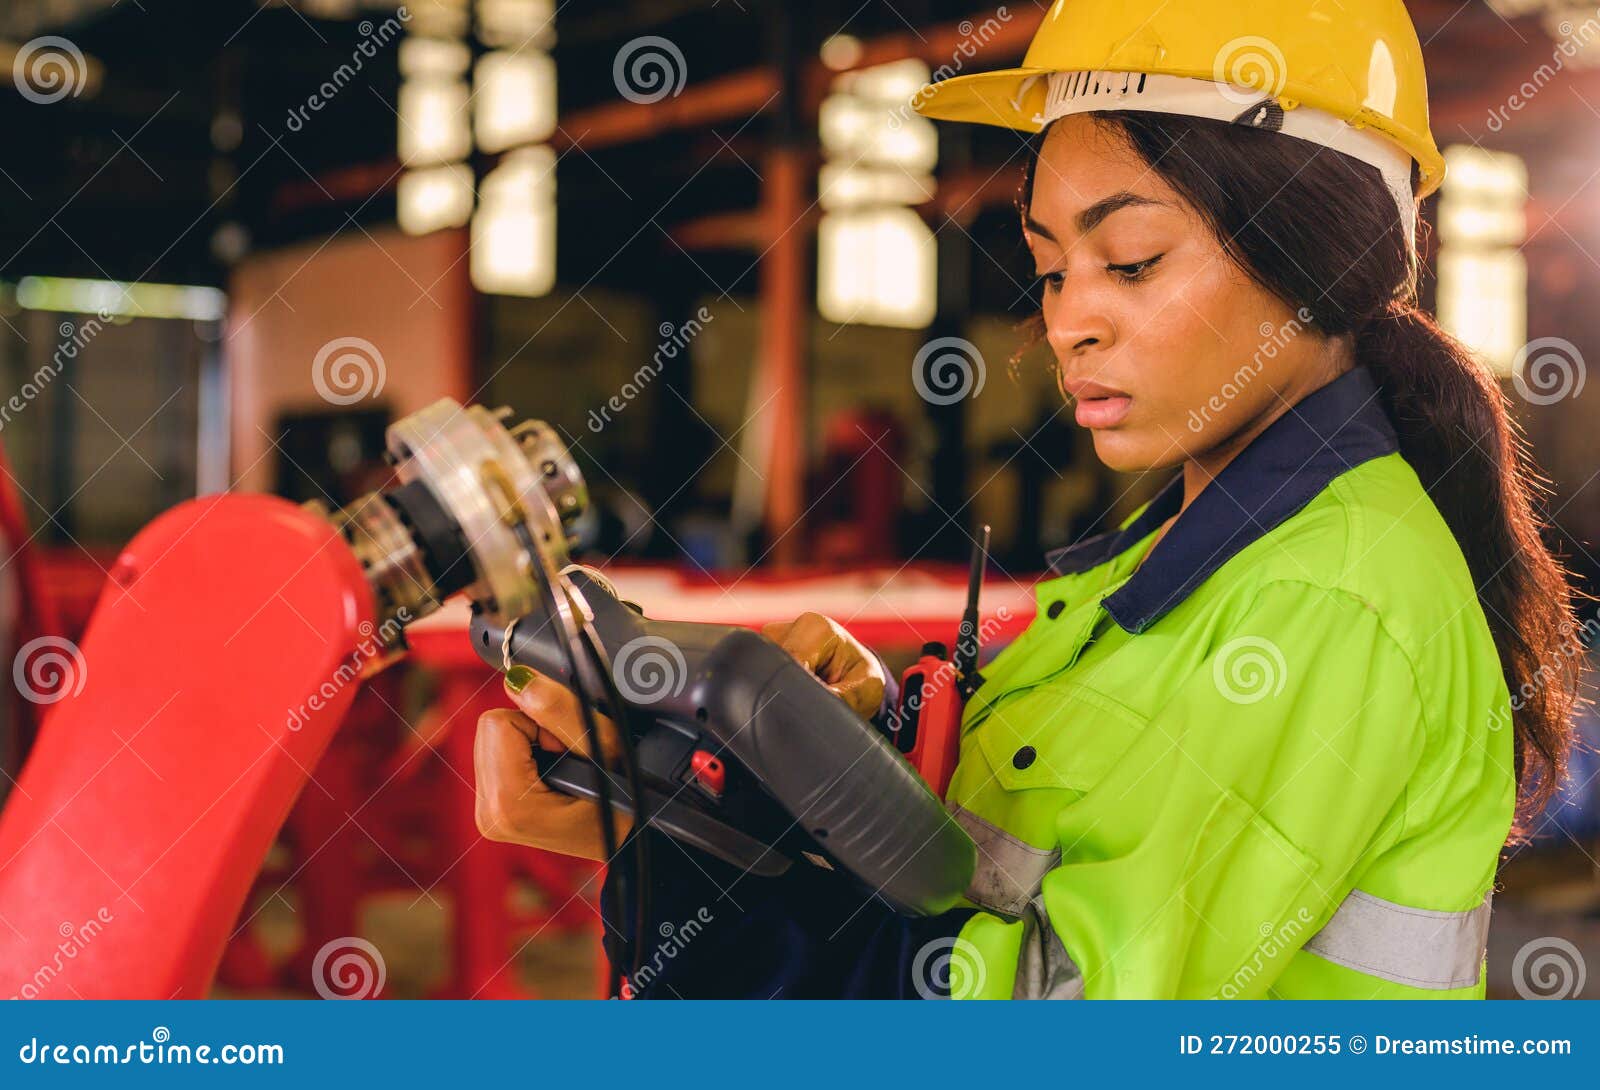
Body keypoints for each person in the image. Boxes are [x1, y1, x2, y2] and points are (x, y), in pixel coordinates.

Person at [473, 0, 1583, 999]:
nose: (1067, 322)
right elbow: (1023, 849)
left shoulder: (1331, 597)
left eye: (1133, 259)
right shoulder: (1181, 559)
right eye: (1052, 269)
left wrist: (682, 876)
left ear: (1316, 256)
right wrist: (851, 748)